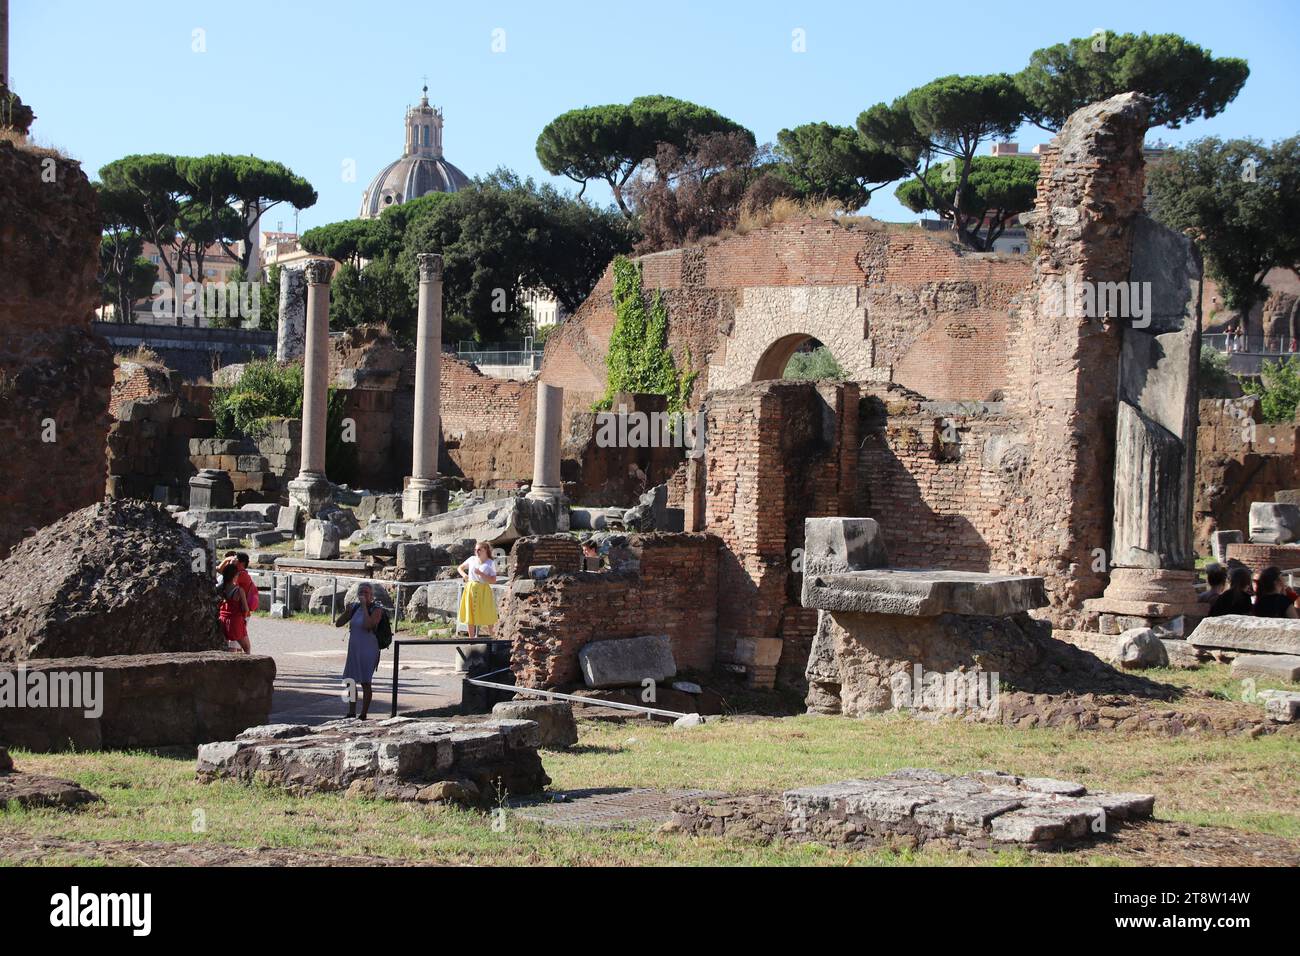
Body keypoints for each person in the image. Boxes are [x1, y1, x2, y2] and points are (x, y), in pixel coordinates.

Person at [335, 583, 383, 719]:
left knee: (365, 681)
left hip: (368, 650)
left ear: (371, 595)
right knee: (350, 679)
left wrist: (364, 607)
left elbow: (368, 625)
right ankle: (351, 711)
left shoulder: (376, 609)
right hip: (354, 649)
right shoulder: (355, 608)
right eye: (361, 592)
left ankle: (363, 714)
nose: (363, 595)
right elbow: (338, 623)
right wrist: (347, 612)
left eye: (366, 592)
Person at [458, 541, 498, 639]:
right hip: (471, 588)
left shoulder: (490, 563)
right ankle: (471, 639)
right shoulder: (472, 559)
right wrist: (464, 575)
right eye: (476, 550)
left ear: (485, 550)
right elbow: (460, 568)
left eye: (479, 549)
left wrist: (481, 574)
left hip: (483, 590)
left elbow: (493, 580)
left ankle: (493, 638)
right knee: (470, 613)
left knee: (488, 613)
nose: (477, 552)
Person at [218, 564, 251, 653]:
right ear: (234, 576)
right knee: (247, 647)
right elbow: (245, 609)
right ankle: (248, 666)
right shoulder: (239, 590)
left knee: (227, 648)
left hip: (222, 619)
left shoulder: (220, 588)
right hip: (235, 620)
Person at [218, 551, 259, 620]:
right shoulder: (238, 573)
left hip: (240, 614)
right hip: (235, 612)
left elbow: (220, 570)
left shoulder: (242, 575)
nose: (232, 560)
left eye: (235, 559)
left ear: (242, 563)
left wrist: (226, 560)